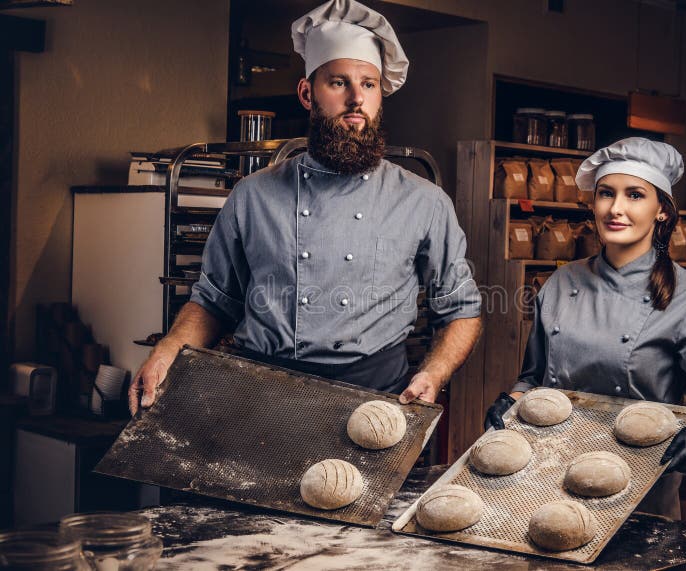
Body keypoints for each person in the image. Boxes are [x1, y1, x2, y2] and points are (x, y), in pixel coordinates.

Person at [129, 0, 482, 414]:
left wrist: (433, 373)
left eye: (369, 84)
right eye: (338, 83)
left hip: (373, 402)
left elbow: (461, 309)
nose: (356, 99)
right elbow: (214, 301)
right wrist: (168, 349)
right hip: (261, 396)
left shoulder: (423, 202)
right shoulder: (252, 196)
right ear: (306, 93)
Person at [484, 138, 686, 519]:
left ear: (662, 212)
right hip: (544, 479)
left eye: (635, 195)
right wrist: (510, 401)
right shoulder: (559, 283)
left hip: (636, 492)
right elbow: (533, 379)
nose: (616, 208)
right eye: (606, 193)